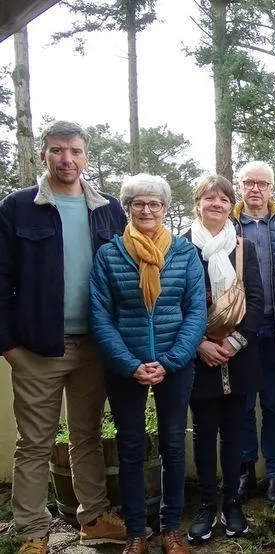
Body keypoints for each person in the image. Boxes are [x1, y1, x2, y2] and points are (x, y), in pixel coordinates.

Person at [0, 121, 128, 554]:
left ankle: (93, 518)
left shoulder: (109, 209)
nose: (67, 159)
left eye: (75, 151)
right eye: (57, 151)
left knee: (87, 434)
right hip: (38, 348)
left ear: (87, 157)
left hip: (95, 344)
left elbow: (124, 274)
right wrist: (9, 345)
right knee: (34, 443)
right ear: (44, 156)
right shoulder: (17, 208)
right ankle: (33, 531)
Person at [89, 173, 206, 554]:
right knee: (132, 447)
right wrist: (128, 363)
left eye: (154, 204)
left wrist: (171, 361)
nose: (146, 210)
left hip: (175, 363)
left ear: (165, 210)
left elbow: (195, 312)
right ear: (126, 208)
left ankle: (171, 529)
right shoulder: (109, 254)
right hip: (126, 366)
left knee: (173, 444)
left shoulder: (184, 253)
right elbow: (100, 316)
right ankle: (137, 532)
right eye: (138, 203)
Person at [185, 175, 264, 542]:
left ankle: (232, 504)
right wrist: (199, 343)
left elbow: (258, 302)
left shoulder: (243, 247)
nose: (216, 203)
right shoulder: (180, 247)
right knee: (203, 436)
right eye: (209, 198)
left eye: (223, 198)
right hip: (196, 357)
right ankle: (205, 506)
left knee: (235, 434)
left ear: (230, 205)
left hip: (239, 356)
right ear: (197, 203)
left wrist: (233, 342)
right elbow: (172, 304)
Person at [231, 161, 275, 503]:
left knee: (273, 405)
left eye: (262, 183)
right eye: (248, 183)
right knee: (243, 406)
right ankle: (246, 471)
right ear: (239, 187)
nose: (255, 189)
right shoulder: (227, 225)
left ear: (272, 189)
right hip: (239, 336)